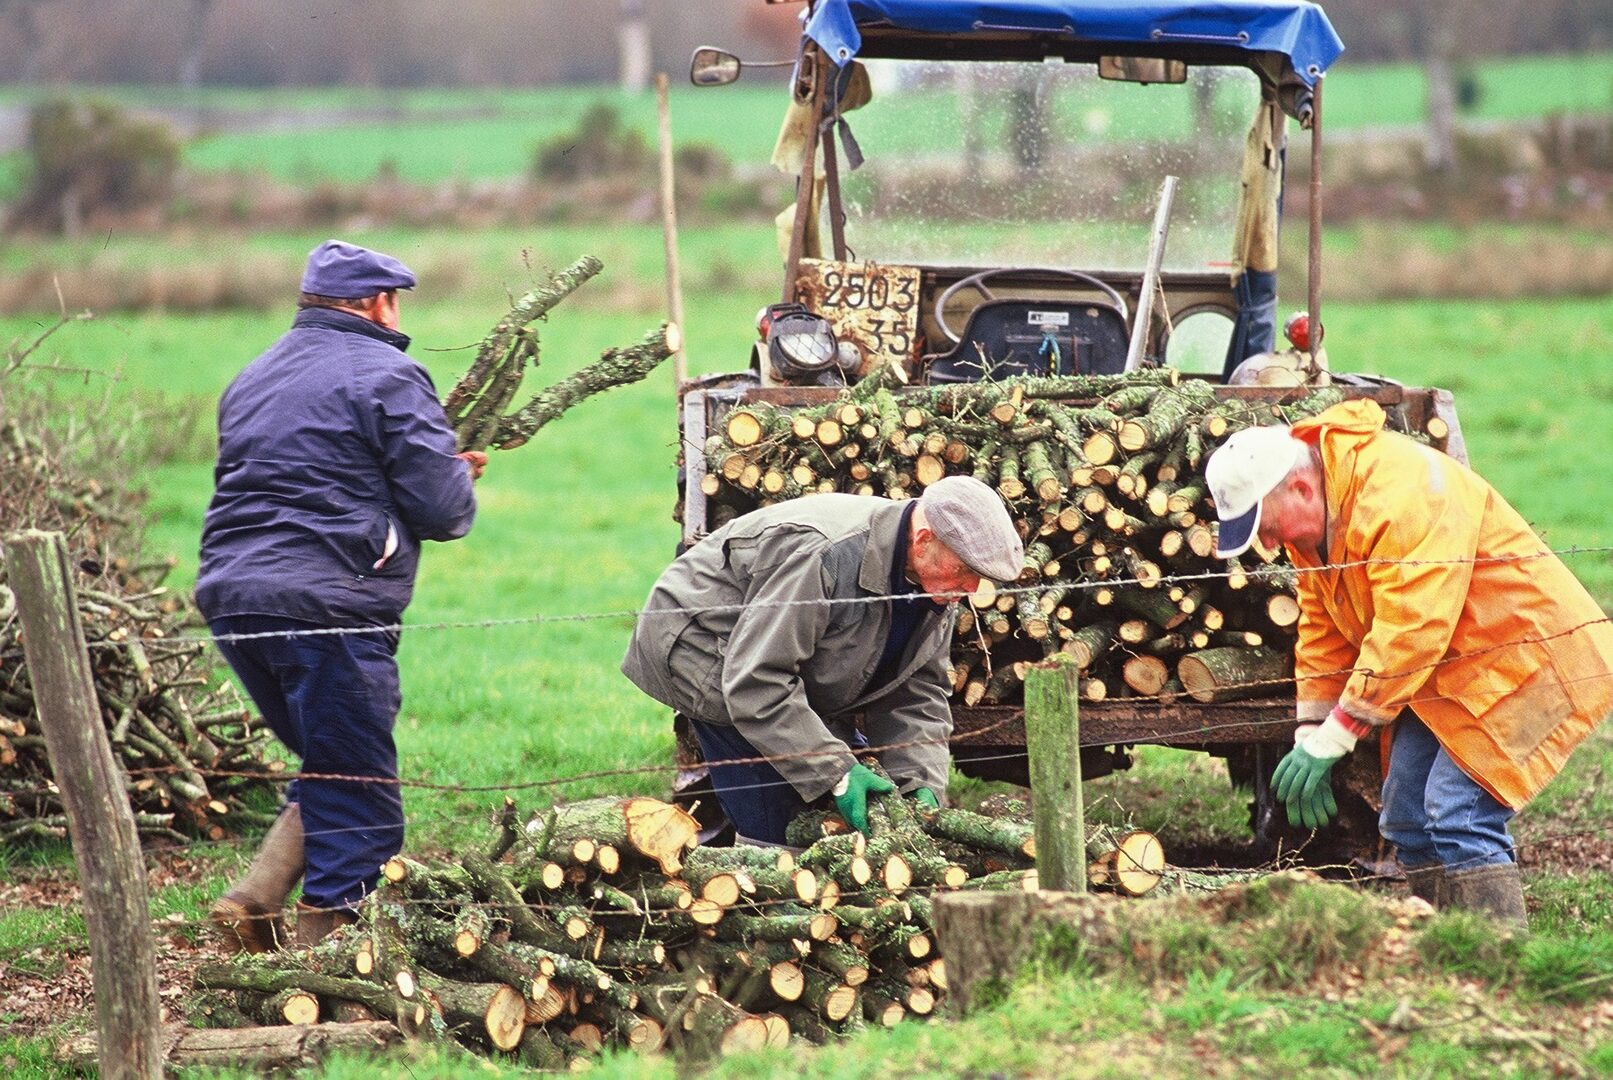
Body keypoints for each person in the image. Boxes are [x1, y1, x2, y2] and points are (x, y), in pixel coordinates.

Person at [1207, 398, 1613, 924]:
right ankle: (1443, 947)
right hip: (1447, 676)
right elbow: (1323, 630)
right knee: (1405, 817)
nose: (1266, 543)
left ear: (1302, 489)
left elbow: (1413, 629)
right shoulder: (1318, 525)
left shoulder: (1399, 495)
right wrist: (1311, 732)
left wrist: (1337, 737)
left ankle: (1498, 959)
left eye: (1264, 525)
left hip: (1523, 661)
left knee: (1456, 813)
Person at [199, 240, 486, 951]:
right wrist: (454, 473)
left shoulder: (254, 373)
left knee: (333, 758)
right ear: (380, 304)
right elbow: (445, 514)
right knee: (357, 786)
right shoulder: (388, 372)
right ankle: (334, 952)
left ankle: (255, 899)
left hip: (233, 597)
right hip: (330, 602)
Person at [622, 476, 1023, 846]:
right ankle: (767, 889)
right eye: (966, 570)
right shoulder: (824, 554)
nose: (972, 588)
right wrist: (837, 772)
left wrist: (920, 782)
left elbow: (916, 688)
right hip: (706, 646)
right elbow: (755, 683)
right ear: (922, 539)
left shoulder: (935, 579)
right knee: (779, 823)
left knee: (861, 801)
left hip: (777, 661)